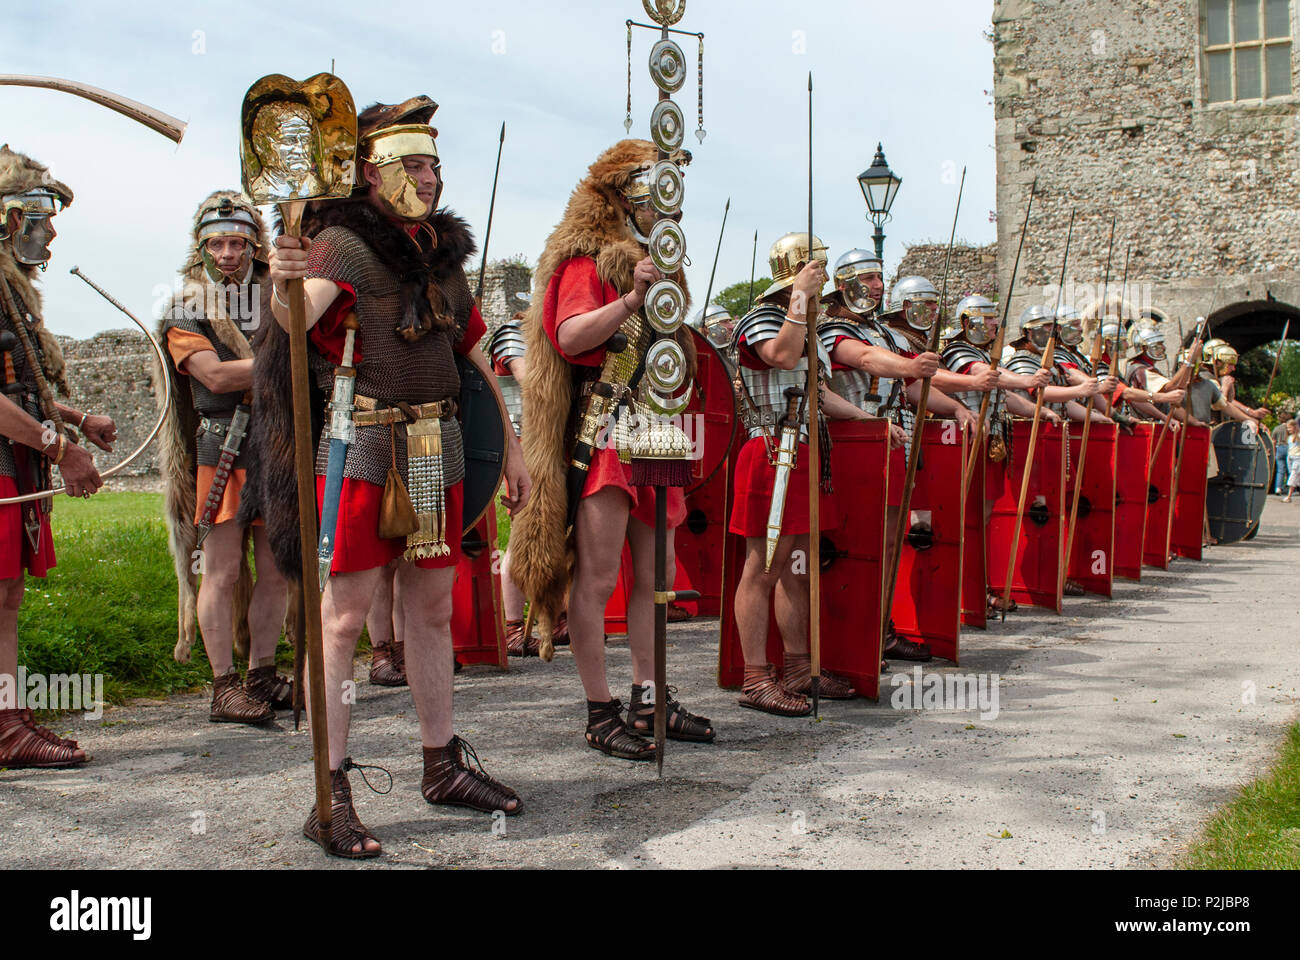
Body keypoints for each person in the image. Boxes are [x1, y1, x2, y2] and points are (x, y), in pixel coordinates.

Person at [253, 96, 531, 858]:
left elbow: (473, 355)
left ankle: (440, 765)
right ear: (373, 171)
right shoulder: (340, 245)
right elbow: (294, 319)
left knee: (433, 613)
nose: (432, 177)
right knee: (342, 623)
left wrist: (510, 446)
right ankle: (328, 790)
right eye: (415, 164)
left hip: (438, 445)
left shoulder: (439, 252)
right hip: (365, 445)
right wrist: (283, 278)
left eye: (436, 164)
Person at [508, 140, 714, 759]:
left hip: (657, 430)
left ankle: (650, 696)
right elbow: (569, 337)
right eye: (654, 197)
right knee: (597, 580)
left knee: (656, 581)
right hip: (603, 433)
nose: (664, 210)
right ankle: (600, 711)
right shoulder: (587, 260)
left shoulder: (662, 264)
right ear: (624, 198)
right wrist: (629, 298)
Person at [0, 146, 116, 768]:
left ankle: (9, 721)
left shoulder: (11, 288)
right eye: (38, 213)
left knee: (5, 594)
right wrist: (61, 448)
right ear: (9, 218)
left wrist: (76, 418)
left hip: (13, 459)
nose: (49, 229)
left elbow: (23, 387)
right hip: (4, 459)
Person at [157, 191, 292, 724]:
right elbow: (212, 375)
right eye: (218, 243)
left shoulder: (281, 297)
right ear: (203, 247)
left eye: (238, 241)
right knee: (222, 568)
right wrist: (285, 362)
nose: (229, 253)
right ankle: (223, 687)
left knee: (278, 569)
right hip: (224, 443)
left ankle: (262, 674)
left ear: (254, 245)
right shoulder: (183, 307)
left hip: (275, 442)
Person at [726, 233, 872, 716]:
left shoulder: (810, 325)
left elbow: (816, 393)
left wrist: (867, 420)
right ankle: (754, 678)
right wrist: (799, 300)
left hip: (808, 450)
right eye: (816, 272)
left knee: (799, 568)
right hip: (770, 449)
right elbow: (780, 358)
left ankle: (797, 668)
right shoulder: (762, 320)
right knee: (764, 566)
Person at [938, 294, 1052, 615]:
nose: (992, 324)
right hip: (966, 443)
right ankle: (965, 592)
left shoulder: (987, 353)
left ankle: (980, 587)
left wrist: (1035, 410)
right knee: (966, 520)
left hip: (992, 443)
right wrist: (1029, 380)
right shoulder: (959, 350)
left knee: (983, 520)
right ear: (967, 322)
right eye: (986, 318)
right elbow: (986, 377)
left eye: (993, 318)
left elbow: (1002, 395)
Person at [489, 313, 571, 656]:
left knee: (560, 536)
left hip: (556, 445)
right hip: (525, 447)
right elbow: (532, 384)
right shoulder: (513, 332)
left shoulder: (554, 335)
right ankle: (511, 625)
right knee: (524, 538)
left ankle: (557, 616)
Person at [1272, 417, 1290, 495]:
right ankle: (1291, 488)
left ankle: (1278, 488)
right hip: (1289, 448)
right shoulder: (1290, 428)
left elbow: (1273, 441)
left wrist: (1274, 452)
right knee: (1290, 470)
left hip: (1279, 448)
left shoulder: (1276, 428)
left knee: (1280, 470)